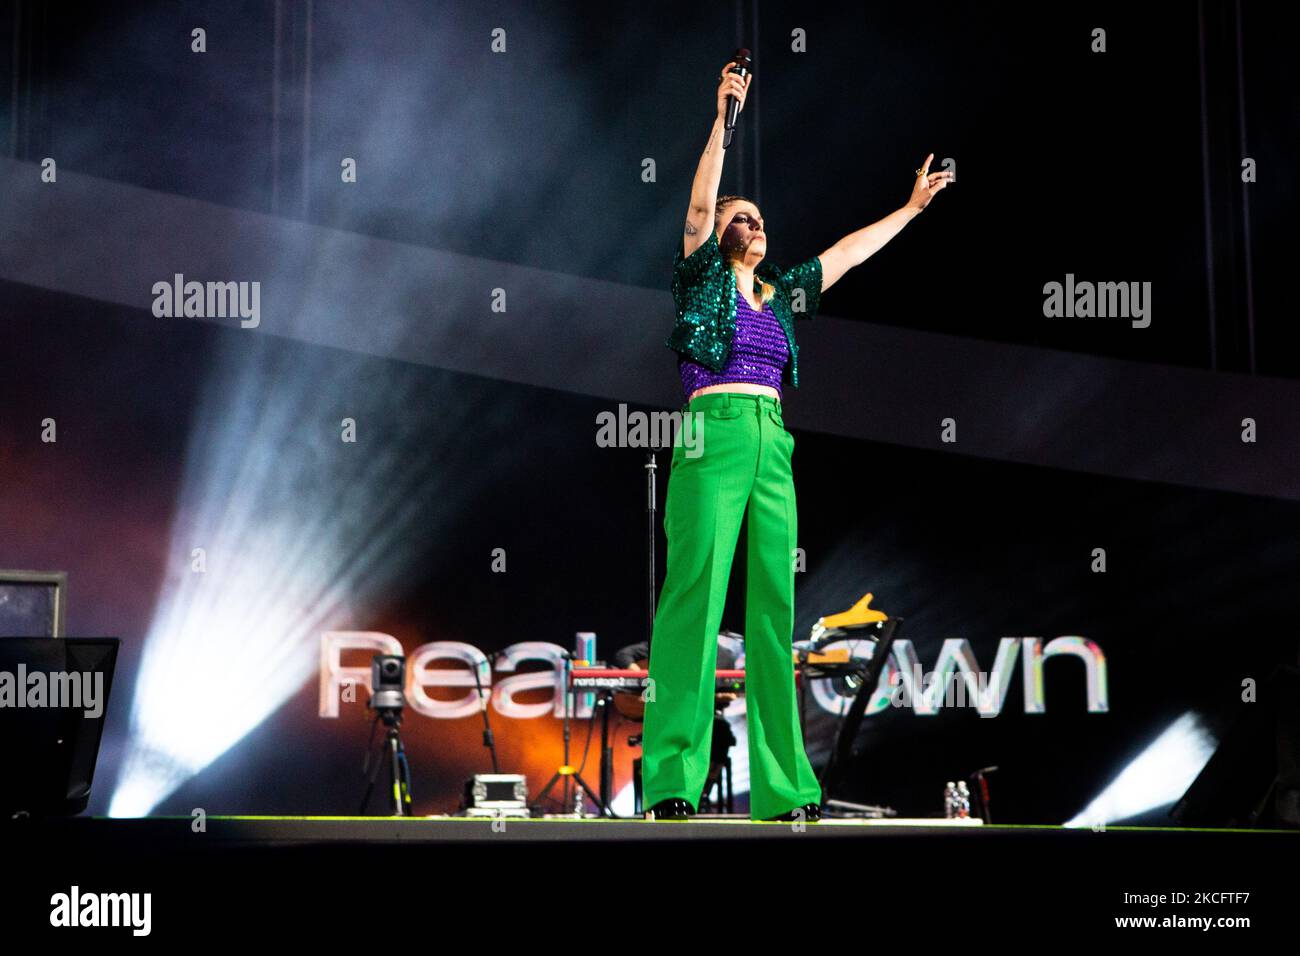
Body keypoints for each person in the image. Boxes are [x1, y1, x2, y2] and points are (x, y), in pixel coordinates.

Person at [641, 59, 951, 822]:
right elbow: (701, 197)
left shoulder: (779, 297)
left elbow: (846, 252)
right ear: (717, 237)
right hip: (712, 435)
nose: (754, 224)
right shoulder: (698, 277)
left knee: (775, 611)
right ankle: (673, 784)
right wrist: (725, 117)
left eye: (760, 218)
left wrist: (911, 209)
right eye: (741, 218)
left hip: (771, 441)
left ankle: (782, 788)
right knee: (694, 602)